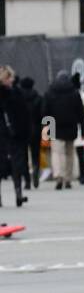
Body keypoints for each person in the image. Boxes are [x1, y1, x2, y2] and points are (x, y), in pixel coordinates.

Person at [42, 70, 84, 191]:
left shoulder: (50, 92)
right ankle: (67, 178)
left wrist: (46, 128)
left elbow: (45, 111)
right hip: (71, 127)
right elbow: (81, 113)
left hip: (55, 127)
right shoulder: (74, 92)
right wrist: (83, 130)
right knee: (69, 153)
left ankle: (58, 176)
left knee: (56, 153)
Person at [0, 66, 29, 206]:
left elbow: (23, 113)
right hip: (9, 133)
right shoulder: (14, 93)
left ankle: (18, 193)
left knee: (15, 164)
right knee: (12, 164)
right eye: (9, 77)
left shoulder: (16, 92)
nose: (12, 80)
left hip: (13, 134)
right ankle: (18, 193)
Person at [19, 78, 42, 190]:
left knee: (23, 156)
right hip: (36, 129)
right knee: (35, 153)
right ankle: (36, 168)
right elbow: (44, 114)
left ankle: (27, 180)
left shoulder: (18, 98)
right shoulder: (38, 98)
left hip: (22, 130)